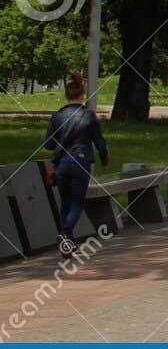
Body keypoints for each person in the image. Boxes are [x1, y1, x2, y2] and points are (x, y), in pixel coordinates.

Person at [45, 73, 108, 256]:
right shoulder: (88, 116)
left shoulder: (57, 116)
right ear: (82, 95)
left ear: (67, 94)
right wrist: (104, 159)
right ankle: (65, 234)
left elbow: (48, 144)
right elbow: (99, 141)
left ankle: (68, 245)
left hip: (62, 163)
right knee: (77, 203)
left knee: (65, 202)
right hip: (80, 161)